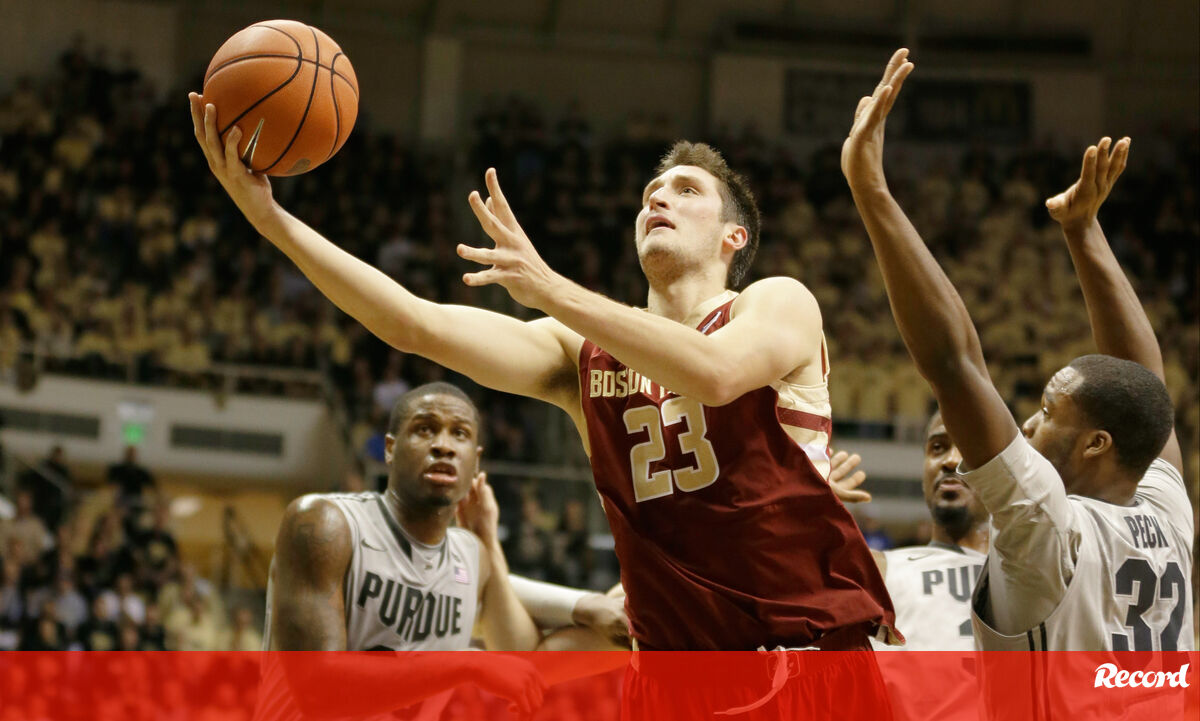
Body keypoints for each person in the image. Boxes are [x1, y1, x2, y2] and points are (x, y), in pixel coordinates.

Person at [188, 93, 895, 658]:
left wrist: (550, 288)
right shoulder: (578, 352)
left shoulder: (775, 301)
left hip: (806, 654)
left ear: (733, 236)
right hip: (674, 675)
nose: (658, 199)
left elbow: (716, 373)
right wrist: (269, 218)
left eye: (685, 190)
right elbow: (412, 324)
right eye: (651, 191)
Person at [842, 49, 1193, 655]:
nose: (1028, 423)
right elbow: (1144, 390)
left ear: (1096, 444)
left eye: (1049, 412)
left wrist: (871, 192)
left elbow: (954, 365)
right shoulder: (1168, 517)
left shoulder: (1046, 527)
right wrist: (1084, 232)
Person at [257, 382, 546, 718]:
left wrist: (490, 541)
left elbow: (529, 649)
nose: (444, 446)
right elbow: (319, 693)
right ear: (390, 449)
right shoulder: (326, 524)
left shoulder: (472, 557)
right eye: (425, 429)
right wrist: (468, 664)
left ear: (476, 460)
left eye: (460, 434)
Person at [870, 411, 989, 652]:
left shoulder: (1035, 578)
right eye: (938, 447)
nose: (951, 460)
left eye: (969, 446)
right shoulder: (876, 570)